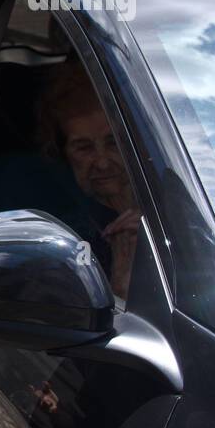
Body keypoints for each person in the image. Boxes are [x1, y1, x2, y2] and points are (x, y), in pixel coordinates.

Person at [36, 59, 140, 298]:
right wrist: (121, 281)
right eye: (84, 148)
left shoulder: (174, 205)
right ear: (62, 153)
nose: (102, 162)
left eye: (113, 142)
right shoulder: (65, 238)